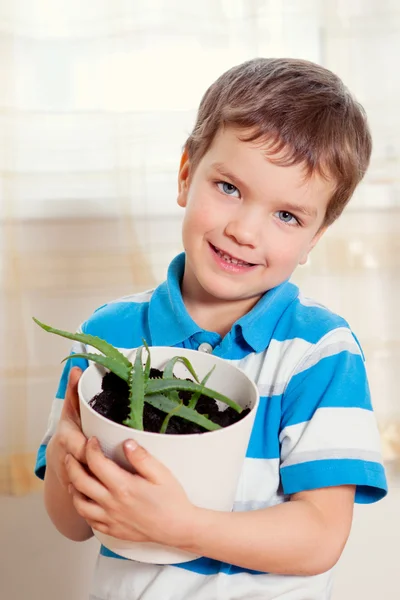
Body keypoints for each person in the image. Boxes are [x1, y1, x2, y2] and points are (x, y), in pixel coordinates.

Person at [35, 57, 388, 600]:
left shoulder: (319, 352)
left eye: (287, 216)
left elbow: (318, 537)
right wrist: (66, 453)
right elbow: (74, 524)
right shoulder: (112, 334)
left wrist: (181, 526)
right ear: (185, 175)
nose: (244, 230)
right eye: (228, 187)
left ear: (316, 236)